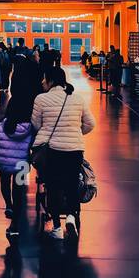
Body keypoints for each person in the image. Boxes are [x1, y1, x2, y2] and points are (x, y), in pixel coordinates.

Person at [31, 64, 95, 241]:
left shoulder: (41, 99)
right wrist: (74, 132)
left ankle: (57, 228)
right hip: (74, 150)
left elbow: (36, 124)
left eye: (45, 78)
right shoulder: (77, 99)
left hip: (51, 150)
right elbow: (90, 123)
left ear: (51, 81)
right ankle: (71, 218)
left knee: (52, 186)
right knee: (72, 184)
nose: (43, 82)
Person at [0, 97, 34, 239]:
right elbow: (33, 146)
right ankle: (15, 223)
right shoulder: (30, 128)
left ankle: (8, 204)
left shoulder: (1, 126)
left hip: (4, 164)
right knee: (19, 191)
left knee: (5, 184)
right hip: (22, 166)